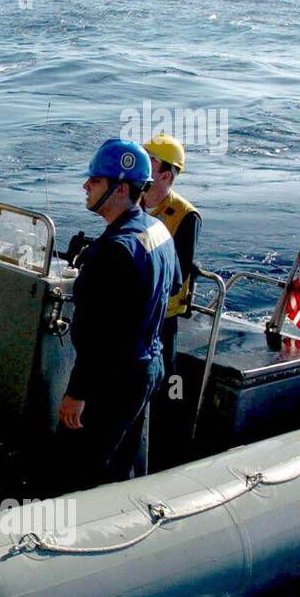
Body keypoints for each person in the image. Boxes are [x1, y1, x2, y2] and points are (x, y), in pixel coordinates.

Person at [58, 138, 180, 487]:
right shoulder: (158, 230)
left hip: (112, 381)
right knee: (120, 463)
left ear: (121, 188)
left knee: (80, 467)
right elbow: (172, 286)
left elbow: (96, 334)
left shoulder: (111, 252)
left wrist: (76, 395)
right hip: (147, 369)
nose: (85, 186)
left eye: (94, 181)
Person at [140, 134, 202, 391]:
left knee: (163, 378)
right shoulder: (133, 202)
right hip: (136, 309)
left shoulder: (186, 215)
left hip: (163, 313)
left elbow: (178, 272)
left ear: (166, 174)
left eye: (150, 160)